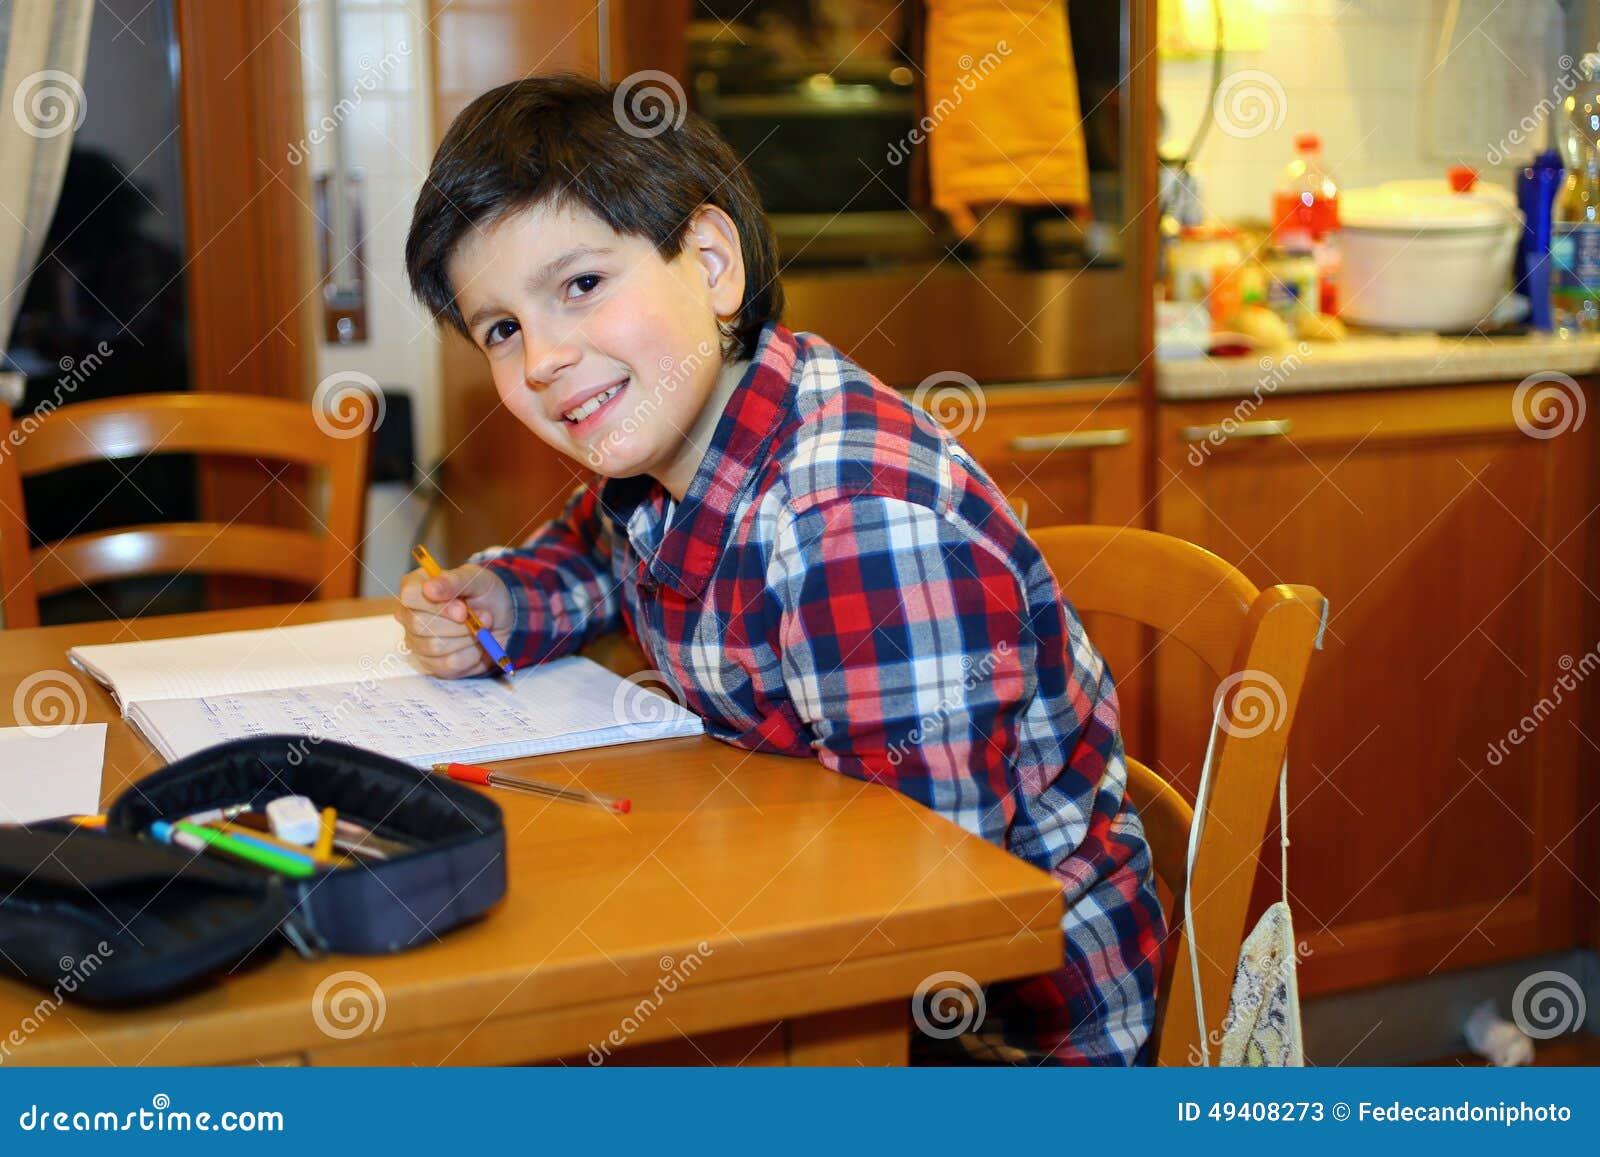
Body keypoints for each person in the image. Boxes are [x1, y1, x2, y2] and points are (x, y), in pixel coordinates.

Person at [398, 74, 1165, 1065]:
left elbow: (924, 910)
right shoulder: (678, 446)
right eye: (501, 327)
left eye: (580, 285)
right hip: (817, 923)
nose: (542, 356)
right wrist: (499, 600)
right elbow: (599, 558)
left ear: (711, 264)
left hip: (1002, 1043)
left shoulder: (855, 530)